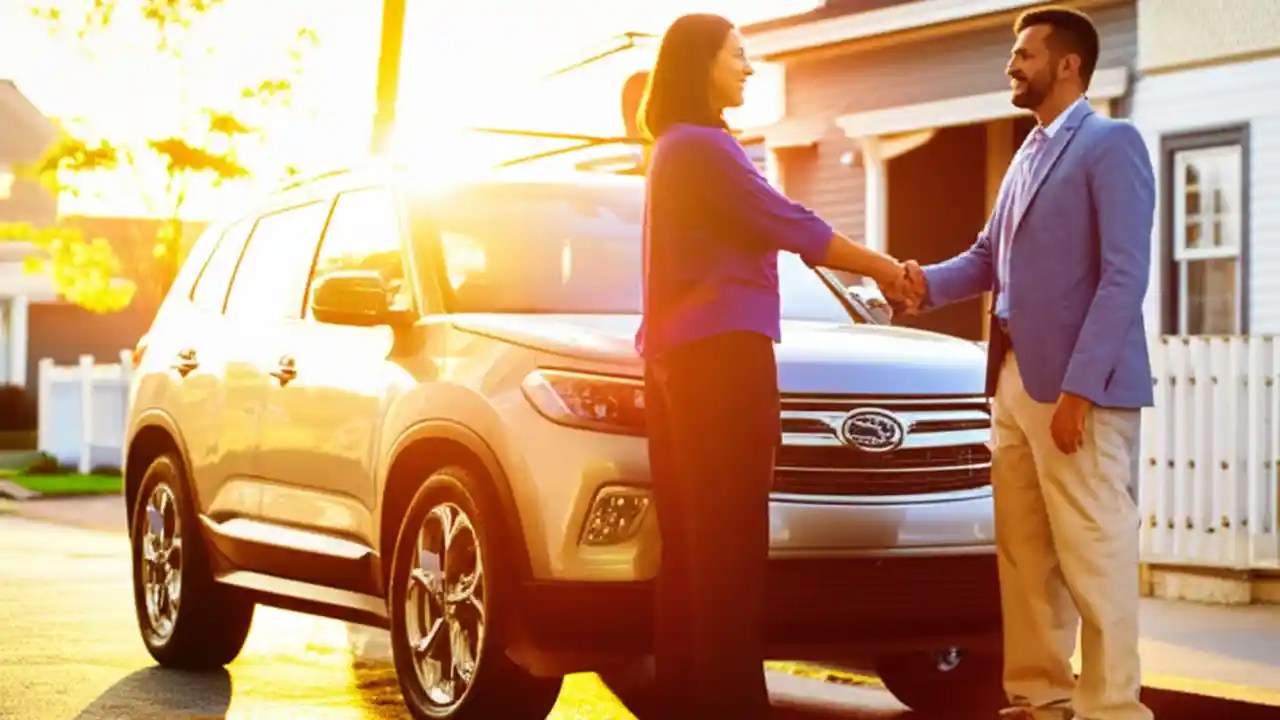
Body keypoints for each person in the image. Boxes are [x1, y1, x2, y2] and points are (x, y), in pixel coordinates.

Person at [613, 12, 911, 719]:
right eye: (738, 55)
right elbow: (794, 225)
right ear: (701, 64)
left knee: (693, 547)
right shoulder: (704, 148)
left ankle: (692, 699)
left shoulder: (675, 148)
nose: (748, 68)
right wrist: (887, 269)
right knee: (727, 546)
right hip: (720, 360)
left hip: (680, 360)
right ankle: (730, 704)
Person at [891, 6, 1155, 720]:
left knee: (1095, 555)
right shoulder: (1027, 152)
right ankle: (1041, 696)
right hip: (1009, 380)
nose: (1012, 65)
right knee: (1025, 554)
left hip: (1077, 391)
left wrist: (1079, 391)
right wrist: (920, 284)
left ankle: (1111, 709)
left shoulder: (1112, 144)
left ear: (1068, 64)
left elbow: (1124, 276)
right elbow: (988, 258)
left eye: (1024, 53)